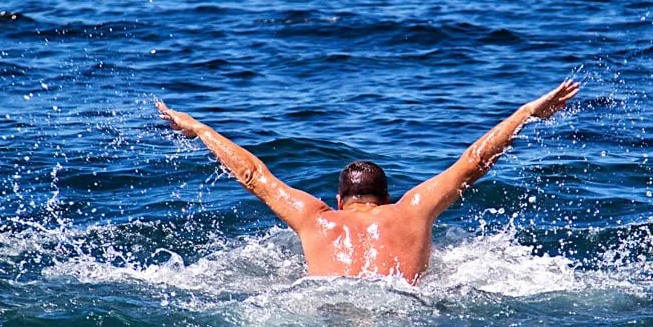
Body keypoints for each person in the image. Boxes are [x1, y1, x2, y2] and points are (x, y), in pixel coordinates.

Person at [156, 80, 579, 285]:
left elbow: (253, 175)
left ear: (340, 201)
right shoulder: (411, 211)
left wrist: (198, 129)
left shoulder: (315, 218)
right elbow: (475, 162)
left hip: (323, 309)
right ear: (386, 198)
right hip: (404, 312)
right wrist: (526, 113)